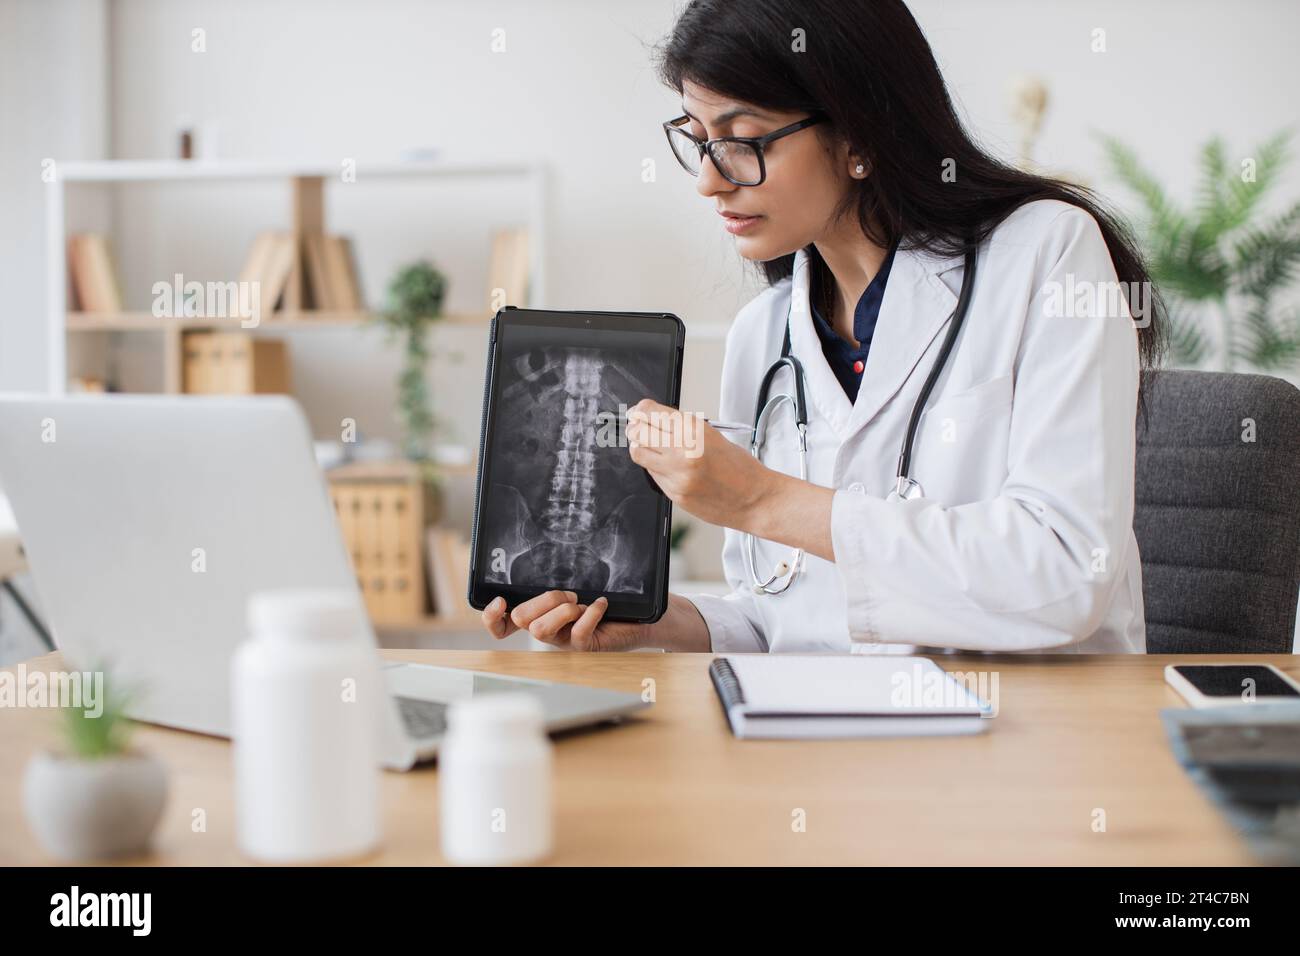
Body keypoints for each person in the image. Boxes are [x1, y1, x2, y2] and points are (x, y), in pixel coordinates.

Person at [481, 0, 1164, 654]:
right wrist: (655, 625)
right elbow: (777, 615)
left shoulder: (1046, 253)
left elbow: (1067, 573)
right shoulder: (765, 332)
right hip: (829, 746)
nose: (709, 183)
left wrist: (761, 499)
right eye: (699, 140)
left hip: (1037, 735)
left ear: (858, 134)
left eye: (742, 141)